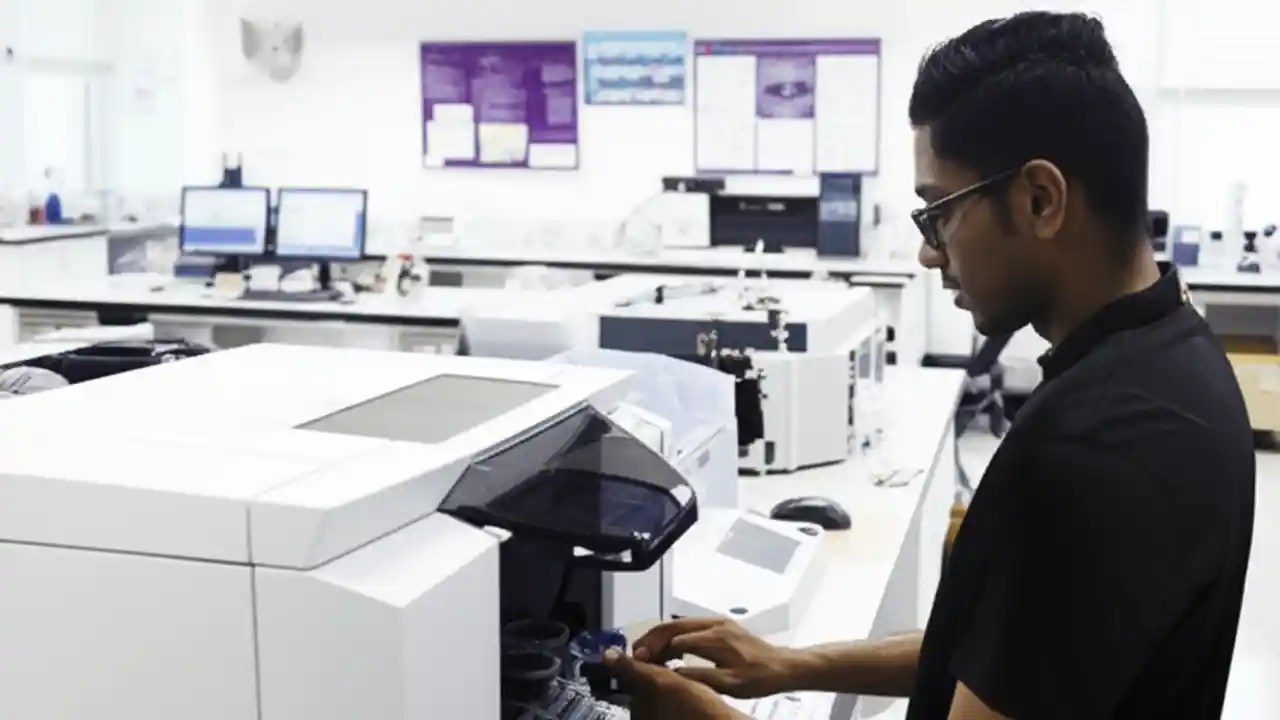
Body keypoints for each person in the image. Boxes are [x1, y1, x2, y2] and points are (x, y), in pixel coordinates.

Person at [605, 11, 1256, 719]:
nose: (928, 252)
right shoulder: (1172, 350)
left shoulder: (1094, 450)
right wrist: (791, 665)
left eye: (937, 211)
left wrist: (702, 717)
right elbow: (1015, 648)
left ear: (1041, 200)